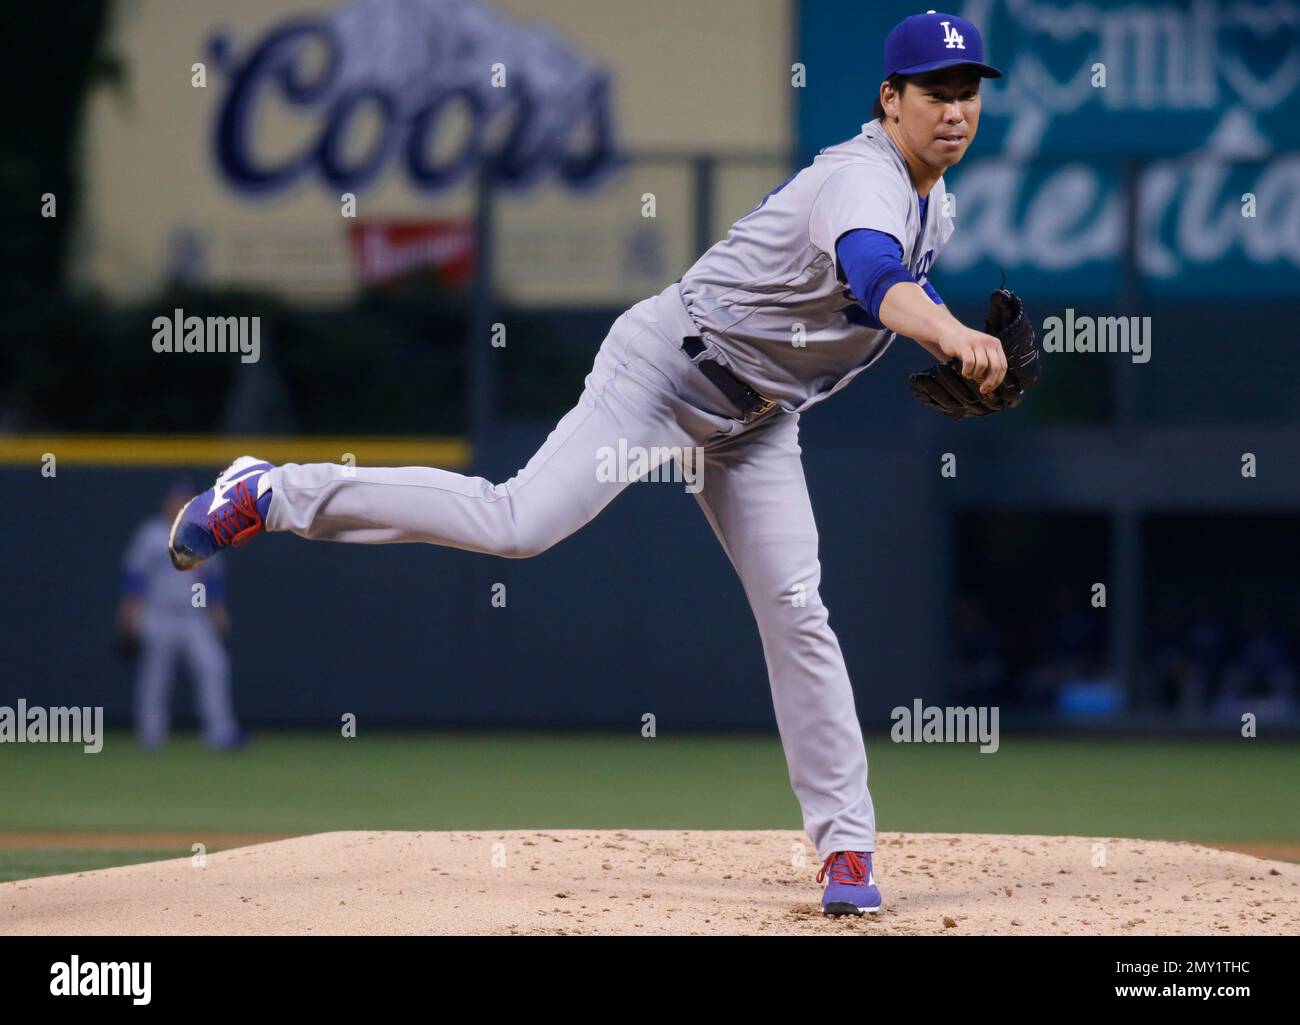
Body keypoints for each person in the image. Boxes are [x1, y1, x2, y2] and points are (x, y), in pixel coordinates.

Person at [168, 12, 1011, 915]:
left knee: (797, 609)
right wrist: (954, 334)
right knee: (516, 523)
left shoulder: (938, 201)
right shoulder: (861, 178)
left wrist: (945, 339)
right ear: (891, 100)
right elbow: (877, 278)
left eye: (967, 94)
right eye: (935, 93)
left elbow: (874, 300)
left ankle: (846, 849)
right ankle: (272, 489)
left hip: (757, 420)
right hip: (664, 370)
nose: (955, 112)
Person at [119, 480, 244, 751]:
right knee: (156, 677)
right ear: (168, 503)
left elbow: (211, 579)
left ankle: (221, 733)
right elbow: (135, 578)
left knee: (213, 666)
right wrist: (130, 613)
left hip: (194, 616)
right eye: (178, 500)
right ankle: (151, 736)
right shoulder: (151, 535)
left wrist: (217, 610)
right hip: (158, 614)